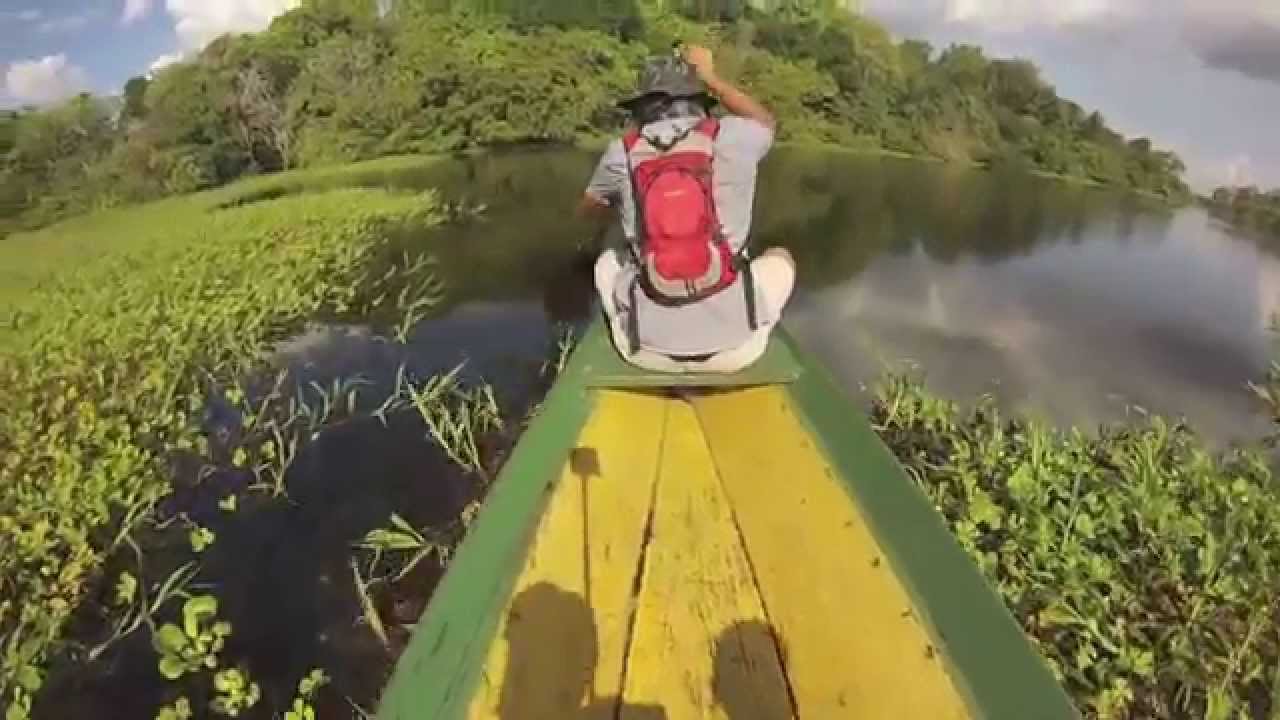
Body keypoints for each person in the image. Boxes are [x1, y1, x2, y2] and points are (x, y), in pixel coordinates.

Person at [579, 45, 795, 373]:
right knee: (780, 256)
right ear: (697, 101)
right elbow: (766, 122)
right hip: (738, 351)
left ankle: (631, 321)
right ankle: (750, 321)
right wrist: (712, 77)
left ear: (641, 107)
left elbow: (588, 207)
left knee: (608, 261)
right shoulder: (734, 136)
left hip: (646, 353)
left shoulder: (620, 153)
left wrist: (621, 201)